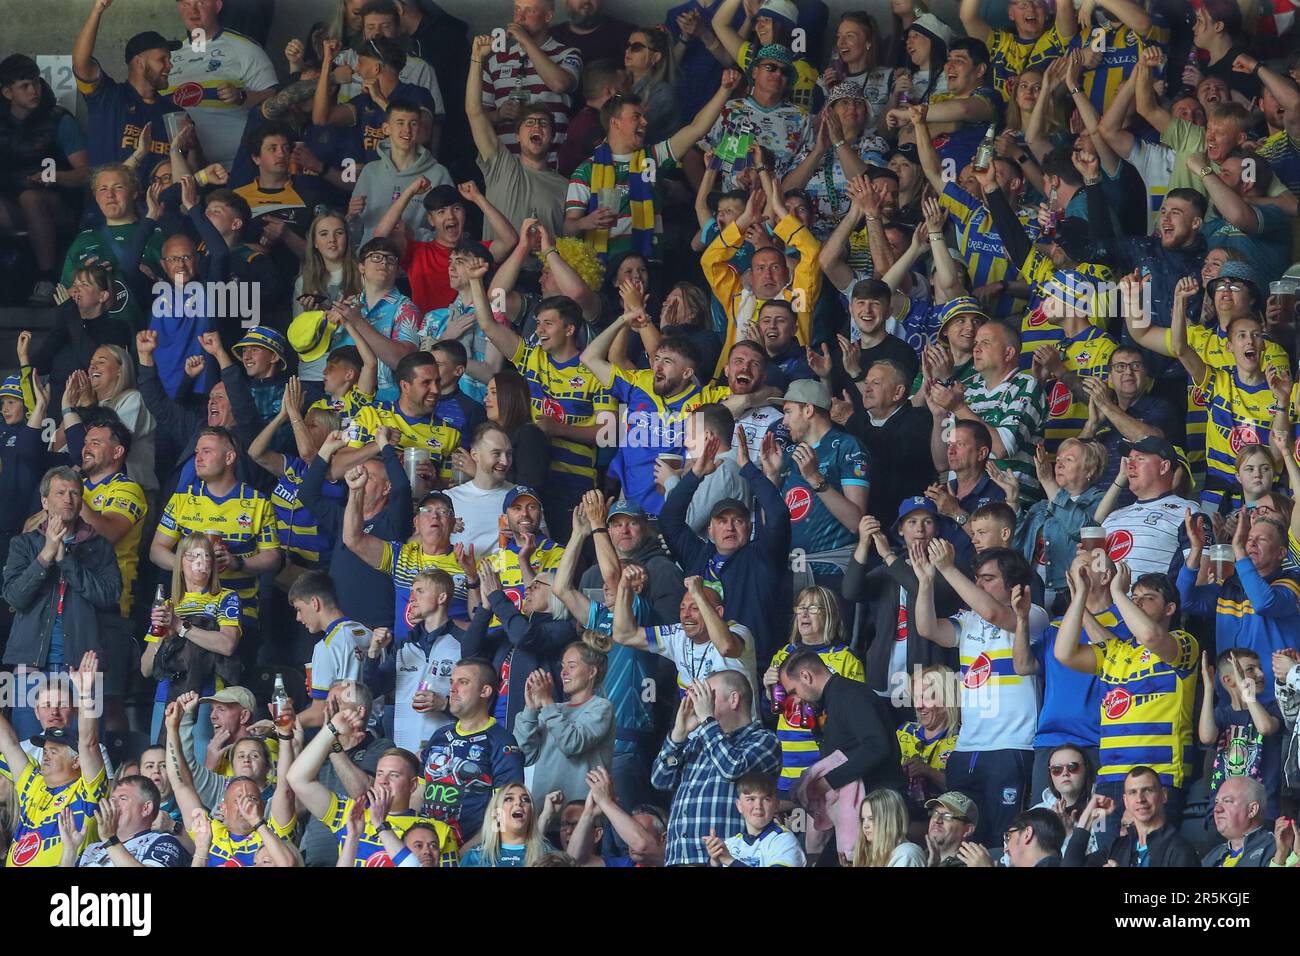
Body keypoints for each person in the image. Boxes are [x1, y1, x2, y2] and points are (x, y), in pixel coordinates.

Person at [1054, 559, 1198, 851]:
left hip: (1158, 778)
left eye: (1148, 598)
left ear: (1170, 609)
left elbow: (1150, 636)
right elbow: (1063, 653)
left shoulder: (1183, 643)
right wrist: (1080, 596)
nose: (1139, 602)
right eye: (1135, 598)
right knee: (1108, 856)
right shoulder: (1114, 651)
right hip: (1111, 781)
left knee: (1150, 855)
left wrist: (1118, 593)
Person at [912, 538, 1046, 848]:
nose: (978, 585)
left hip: (1011, 746)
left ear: (1013, 584)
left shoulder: (1033, 615)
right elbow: (928, 628)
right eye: (977, 579)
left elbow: (996, 614)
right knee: (959, 842)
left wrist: (947, 567)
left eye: (987, 579)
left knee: (1002, 839)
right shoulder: (968, 620)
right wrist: (926, 581)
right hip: (966, 748)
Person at [564, 68, 741, 264]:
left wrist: (724, 90)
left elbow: (696, 129)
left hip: (649, 265)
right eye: (636, 117)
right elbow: (567, 228)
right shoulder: (586, 170)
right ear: (615, 123)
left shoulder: (653, 157)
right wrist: (585, 222)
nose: (645, 122)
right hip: (605, 268)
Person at [3, 467, 123, 738]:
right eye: (60, 493)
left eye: (75, 493)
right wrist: (45, 555)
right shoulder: (23, 544)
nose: (68, 499)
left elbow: (108, 596)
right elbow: (15, 597)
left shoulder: (100, 546)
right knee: (29, 750)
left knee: (87, 748)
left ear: (81, 501)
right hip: (30, 665)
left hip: (84, 667)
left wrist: (65, 560)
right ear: (45, 502)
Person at [287, 706, 458, 867]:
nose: (383, 781)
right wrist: (332, 729)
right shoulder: (352, 814)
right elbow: (297, 778)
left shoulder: (437, 831)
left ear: (412, 785)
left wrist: (380, 824)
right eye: (380, 774)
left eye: (394, 775)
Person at [650, 671, 780, 866]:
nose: (699, 702)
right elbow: (660, 780)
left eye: (707, 695)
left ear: (734, 699)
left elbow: (732, 768)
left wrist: (708, 721)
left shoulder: (764, 740)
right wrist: (679, 734)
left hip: (724, 859)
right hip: (679, 858)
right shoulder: (700, 741)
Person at [162, 696, 297, 867]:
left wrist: (284, 736)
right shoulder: (211, 834)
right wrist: (172, 729)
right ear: (223, 809)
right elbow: (181, 785)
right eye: (238, 798)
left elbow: (285, 788)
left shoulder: (272, 833)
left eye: (254, 799)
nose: (246, 802)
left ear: (263, 807)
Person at [1180, 511, 1300, 703]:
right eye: (1249, 538)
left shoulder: (1292, 582)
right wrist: (1196, 550)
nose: (1251, 543)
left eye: (1261, 539)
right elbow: (1185, 600)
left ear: (1281, 553)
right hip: (1233, 704)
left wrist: (1239, 550)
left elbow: (1264, 603)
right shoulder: (1230, 586)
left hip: (1277, 703)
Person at [0, 653, 106, 867]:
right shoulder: (33, 785)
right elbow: (9, 744)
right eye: (45, 750)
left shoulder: (87, 793)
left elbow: (88, 743)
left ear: (77, 761)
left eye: (54, 751)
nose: (45, 755)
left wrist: (85, 692)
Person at [762, 379, 868, 590]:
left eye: (788, 411)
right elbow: (770, 525)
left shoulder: (847, 446)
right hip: (790, 571)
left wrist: (815, 479)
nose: (783, 422)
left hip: (832, 572)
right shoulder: (789, 454)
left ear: (808, 410)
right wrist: (772, 477)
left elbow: (857, 523)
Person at [465, 36, 568, 240]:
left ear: (553, 136)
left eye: (543, 123)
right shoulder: (501, 165)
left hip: (544, 271)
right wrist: (477, 59)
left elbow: (572, 240)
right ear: (517, 136)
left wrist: (552, 243)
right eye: (529, 123)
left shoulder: (567, 187)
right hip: (499, 270)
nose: (536, 126)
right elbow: (475, 112)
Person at [764, 586, 863, 797]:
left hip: (827, 760)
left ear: (829, 614)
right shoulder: (783, 655)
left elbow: (856, 717)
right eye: (800, 608)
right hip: (789, 760)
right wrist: (767, 687)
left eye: (813, 608)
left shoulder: (845, 658)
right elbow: (774, 709)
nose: (804, 614)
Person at [614, 570, 757, 714]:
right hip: (696, 734)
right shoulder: (678, 634)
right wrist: (623, 587)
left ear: (718, 612)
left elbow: (726, 647)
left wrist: (698, 594)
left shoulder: (737, 632)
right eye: (683, 608)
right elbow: (624, 635)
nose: (686, 614)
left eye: (695, 608)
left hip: (738, 734)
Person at [71, 5, 185, 181]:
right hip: (108, 204)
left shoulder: (174, 112)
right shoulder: (108, 97)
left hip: (160, 205)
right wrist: (97, 11)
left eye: (169, 60)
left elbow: (189, 171)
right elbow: (81, 64)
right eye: (162, 59)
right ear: (139, 63)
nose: (170, 66)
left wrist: (191, 149)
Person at [418, 657, 525, 844]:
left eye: (463, 682)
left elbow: (504, 814)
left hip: (471, 852)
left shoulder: (502, 742)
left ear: (485, 691)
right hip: (428, 849)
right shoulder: (439, 735)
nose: (452, 688)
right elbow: (419, 792)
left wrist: (464, 855)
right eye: (452, 682)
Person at [779, 648, 905, 803]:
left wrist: (828, 782)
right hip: (859, 806)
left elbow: (877, 746)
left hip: (882, 804)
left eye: (794, 691)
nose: (796, 700)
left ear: (806, 676)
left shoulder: (852, 695)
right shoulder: (824, 704)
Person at [163, 0, 277, 167]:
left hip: (238, 168)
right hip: (187, 171)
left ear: (217, 5)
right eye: (186, 3)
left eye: (200, 2)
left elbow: (276, 100)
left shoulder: (245, 49)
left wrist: (241, 96)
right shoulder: (169, 56)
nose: (193, 10)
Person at [479, 0, 584, 164]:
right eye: (517, 9)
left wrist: (526, 42)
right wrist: (499, 114)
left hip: (552, 165)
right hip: (507, 167)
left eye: (529, 11)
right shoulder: (495, 60)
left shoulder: (567, 54)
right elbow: (478, 116)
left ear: (548, 16)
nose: (520, 17)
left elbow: (559, 84)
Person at [513, 642, 615, 802]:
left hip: (581, 812)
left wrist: (546, 700)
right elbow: (524, 755)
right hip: (545, 809)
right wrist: (530, 709)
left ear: (592, 672)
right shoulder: (552, 709)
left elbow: (572, 743)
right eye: (562, 667)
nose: (563, 673)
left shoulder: (601, 707)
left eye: (572, 666)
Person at [1199, 648, 1284, 817]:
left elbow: (1265, 727)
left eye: (1259, 668)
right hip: (1225, 813)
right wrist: (1208, 688)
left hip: (1262, 811)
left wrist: (1247, 692)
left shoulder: (1272, 708)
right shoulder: (1221, 715)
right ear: (1229, 680)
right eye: (1250, 669)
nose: (1260, 673)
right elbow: (1207, 737)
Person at [1099, 437, 1200, 578]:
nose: (1130, 465)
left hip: (1155, 598)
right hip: (1109, 599)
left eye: (1140, 459)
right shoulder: (1113, 517)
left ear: (1163, 467)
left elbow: (1201, 577)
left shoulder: (1188, 512)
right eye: (1129, 459)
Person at [1063, 765, 1200, 867]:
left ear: (1163, 795)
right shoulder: (1117, 847)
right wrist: (1089, 818)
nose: (1140, 799)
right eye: (1133, 792)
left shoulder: (1180, 850)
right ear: (1125, 801)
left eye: (1147, 790)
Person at [577, 496, 684, 624]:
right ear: (609, 531)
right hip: (595, 642)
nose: (624, 531)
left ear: (645, 527)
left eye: (632, 523)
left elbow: (671, 627)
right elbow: (580, 625)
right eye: (618, 525)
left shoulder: (664, 570)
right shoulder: (592, 574)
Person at [58, 774, 190, 867]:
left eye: (123, 798)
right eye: (112, 799)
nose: (113, 804)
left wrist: (110, 839)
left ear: (146, 808)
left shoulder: (165, 842)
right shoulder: (92, 848)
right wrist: (70, 850)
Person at [701, 771, 805, 867]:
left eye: (766, 799)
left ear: (776, 805)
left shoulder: (785, 841)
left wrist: (730, 861)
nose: (758, 806)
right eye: (750, 799)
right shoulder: (730, 844)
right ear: (739, 805)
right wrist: (714, 862)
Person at [460, 781, 555, 866]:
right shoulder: (474, 856)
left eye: (526, 799)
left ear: (531, 814)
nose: (518, 802)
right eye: (509, 799)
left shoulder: (549, 855)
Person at [1203, 776, 1277, 867]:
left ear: (1252, 810)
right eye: (1217, 802)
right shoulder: (1212, 856)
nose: (1217, 809)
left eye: (1227, 801)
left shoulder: (1275, 849)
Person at [850, 788, 926, 867]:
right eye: (863, 819)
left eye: (871, 819)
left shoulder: (906, 854)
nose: (865, 825)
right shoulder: (873, 854)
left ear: (889, 820)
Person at [923, 791, 978, 866]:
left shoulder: (972, 864)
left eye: (947, 816)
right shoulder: (917, 856)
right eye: (935, 813)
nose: (937, 820)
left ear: (967, 829)